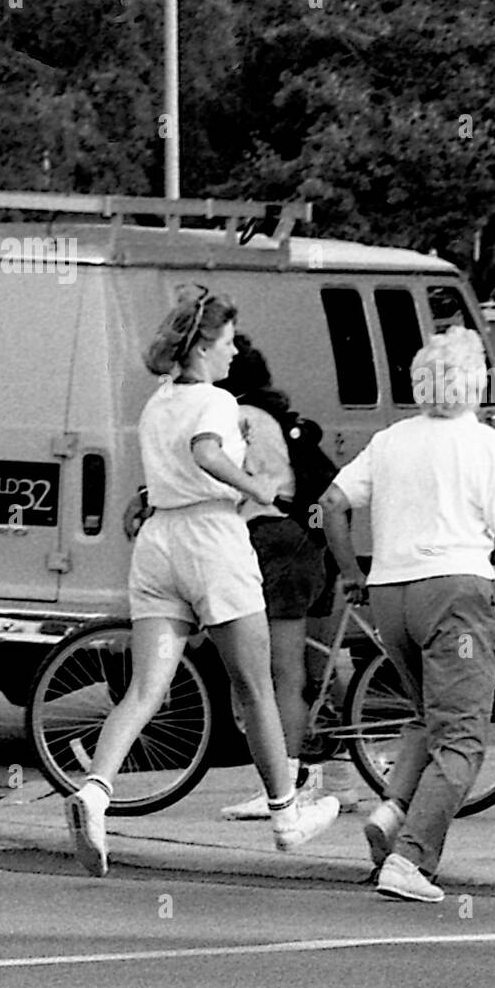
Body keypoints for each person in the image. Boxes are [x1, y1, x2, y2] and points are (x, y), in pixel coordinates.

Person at [64, 286, 339, 877]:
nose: (236, 352)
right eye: (229, 341)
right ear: (203, 348)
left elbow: (168, 470)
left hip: (159, 545)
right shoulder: (214, 402)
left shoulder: (158, 401)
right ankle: (286, 816)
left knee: (146, 689)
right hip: (212, 543)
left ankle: (95, 790)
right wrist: (256, 486)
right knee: (257, 685)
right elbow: (207, 453)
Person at [318, 327, 495, 903]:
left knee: (427, 715)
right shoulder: (486, 446)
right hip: (454, 595)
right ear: (477, 382)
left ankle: (393, 810)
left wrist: (351, 574)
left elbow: (332, 503)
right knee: (462, 737)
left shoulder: (390, 441)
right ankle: (412, 858)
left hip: (389, 595)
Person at [215, 336, 361, 818]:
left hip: (273, 541)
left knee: (284, 673)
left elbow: (216, 478)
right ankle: (340, 775)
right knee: (318, 669)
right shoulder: (277, 417)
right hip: (309, 543)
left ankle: (286, 783)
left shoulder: (237, 421)